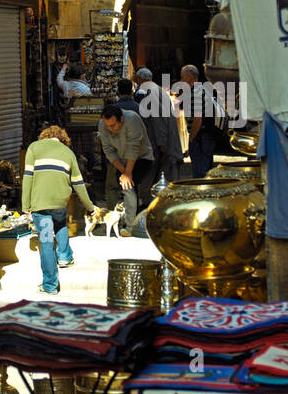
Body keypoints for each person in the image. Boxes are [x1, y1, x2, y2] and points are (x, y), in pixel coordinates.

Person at [22, 124, 101, 294]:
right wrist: (90, 206)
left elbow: (28, 176)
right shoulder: (68, 152)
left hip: (40, 204)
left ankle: (50, 285)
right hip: (59, 203)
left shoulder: (34, 148)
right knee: (59, 221)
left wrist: (25, 205)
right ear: (63, 139)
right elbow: (78, 183)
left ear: (44, 136)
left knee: (46, 242)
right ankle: (65, 256)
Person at [97, 99, 155, 234]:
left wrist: (128, 173)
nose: (110, 129)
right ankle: (126, 224)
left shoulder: (132, 119)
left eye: (113, 125)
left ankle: (135, 225)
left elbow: (133, 148)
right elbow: (108, 150)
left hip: (142, 157)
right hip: (121, 161)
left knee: (136, 188)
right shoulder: (103, 125)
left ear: (121, 119)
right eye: (107, 126)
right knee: (126, 186)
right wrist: (124, 172)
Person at [134, 67, 183, 183]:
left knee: (161, 171)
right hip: (162, 138)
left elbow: (158, 119)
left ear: (140, 79)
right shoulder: (158, 90)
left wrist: (162, 142)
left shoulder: (152, 92)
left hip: (160, 140)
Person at [178, 64, 225, 178]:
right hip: (206, 135)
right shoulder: (202, 89)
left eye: (182, 76)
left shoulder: (196, 93)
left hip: (200, 136)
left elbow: (198, 118)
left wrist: (192, 137)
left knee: (200, 171)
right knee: (207, 168)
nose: (181, 79)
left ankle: (203, 194)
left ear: (189, 77)